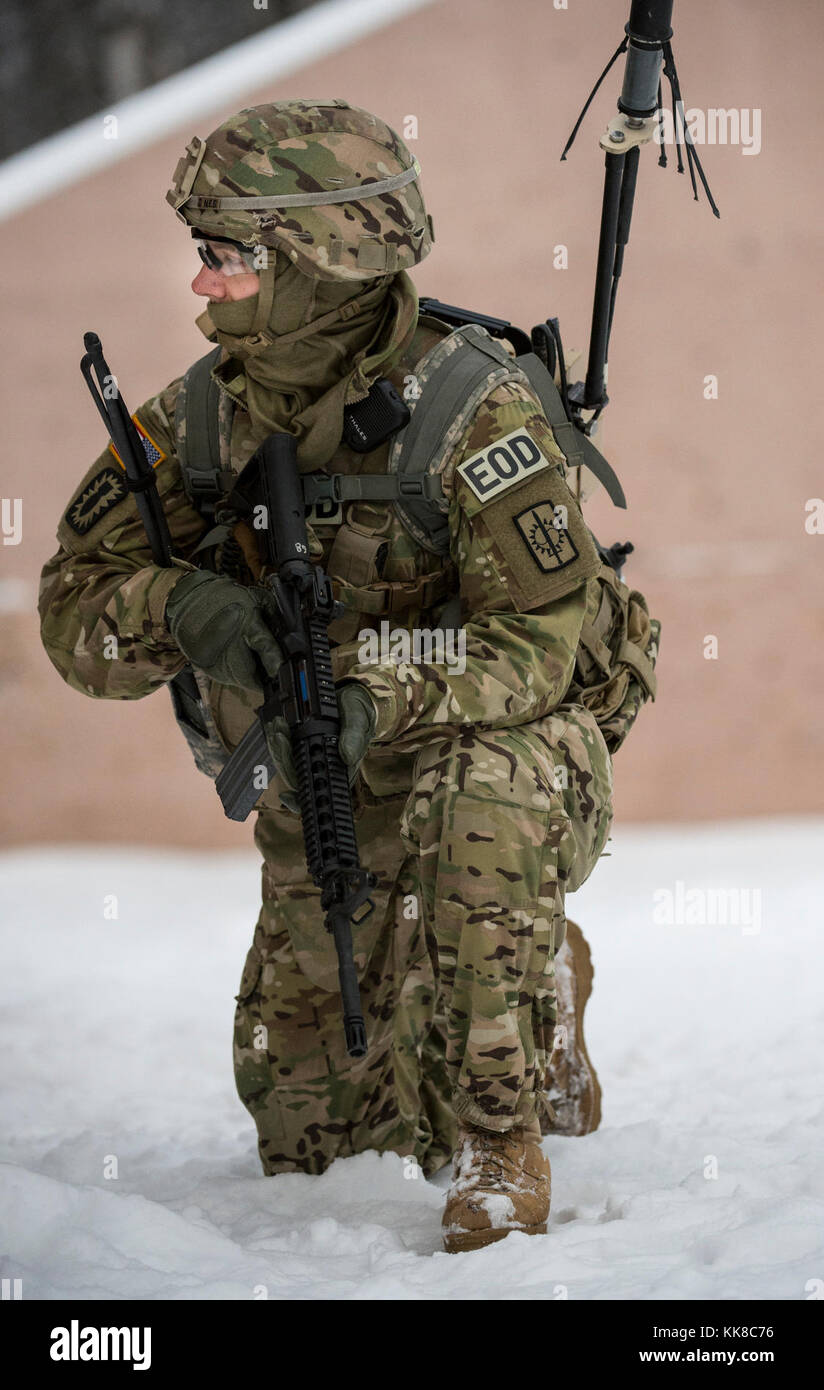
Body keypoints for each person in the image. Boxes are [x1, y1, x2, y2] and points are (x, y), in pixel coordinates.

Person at [39, 99, 622, 1253]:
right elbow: (70, 612)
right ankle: (521, 968)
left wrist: (382, 688)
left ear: (319, 262)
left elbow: (540, 640)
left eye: (226, 257)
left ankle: (497, 1131)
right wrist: (183, 606)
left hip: (499, 748)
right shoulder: (202, 419)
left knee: (480, 801)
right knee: (312, 1143)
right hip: (325, 783)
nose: (201, 285)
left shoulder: (470, 408)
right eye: (202, 254)